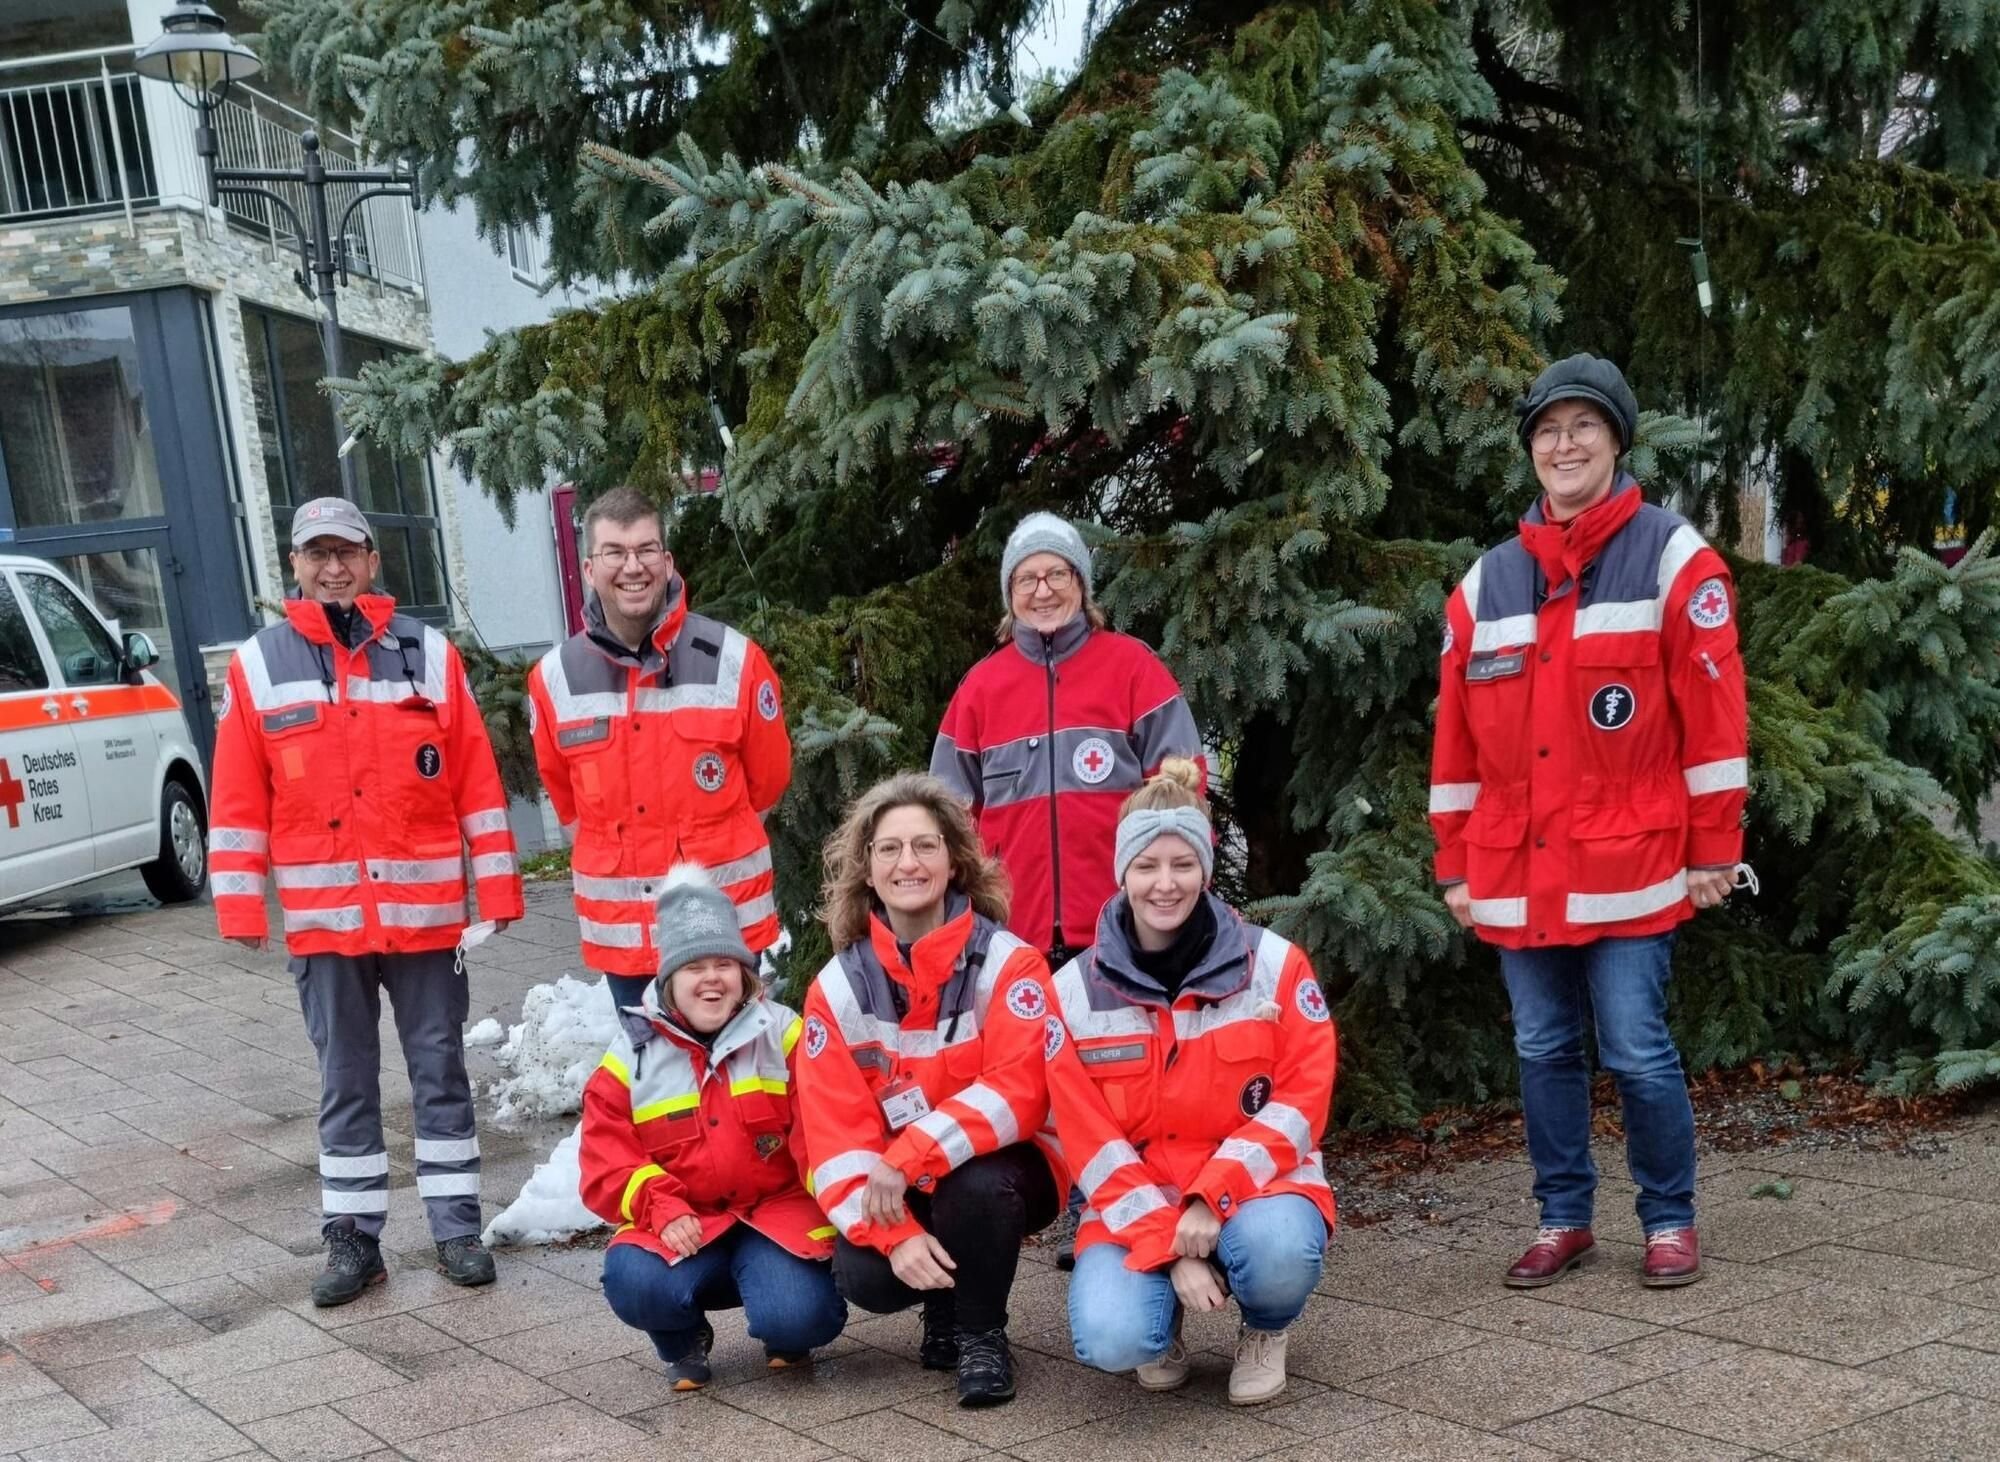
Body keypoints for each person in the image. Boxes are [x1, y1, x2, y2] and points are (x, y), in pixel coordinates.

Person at [1429, 353, 1750, 1290]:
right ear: (1532, 451)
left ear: (1615, 441)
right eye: (1547, 431)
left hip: (1634, 865)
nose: (1564, 445)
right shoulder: (1485, 586)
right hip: (1515, 870)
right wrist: (1454, 864)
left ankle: (1669, 1219)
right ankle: (1563, 1217)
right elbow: (1455, 746)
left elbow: (1716, 724)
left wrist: (1714, 849)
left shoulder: (1675, 559)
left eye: (1583, 428)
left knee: (1638, 1048)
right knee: (1541, 1049)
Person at [208, 497, 524, 1306]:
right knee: (345, 1085)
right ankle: (353, 1241)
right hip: (325, 926)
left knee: (440, 1074)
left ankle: (456, 1228)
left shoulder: (427, 655)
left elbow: (476, 784)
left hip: (423, 922)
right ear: (295, 566)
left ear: (372, 562)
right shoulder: (260, 666)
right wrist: (241, 905)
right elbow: (239, 798)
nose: (333, 567)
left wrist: (498, 886)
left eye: (347, 551)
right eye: (317, 554)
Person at [1048, 759, 1336, 1406]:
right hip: (1136, 1205)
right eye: (1147, 865)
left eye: (1183, 864)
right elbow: (1087, 1143)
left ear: (1206, 868)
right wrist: (1168, 1246)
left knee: (1280, 1253)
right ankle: (1162, 1319)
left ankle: (1266, 1327)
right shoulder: (1071, 993)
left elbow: (1302, 1101)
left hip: (1257, 1193)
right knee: (1111, 1339)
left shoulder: (1274, 965)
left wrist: (1214, 1197)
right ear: (1121, 872)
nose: (1165, 884)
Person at [793, 773, 1067, 1407]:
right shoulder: (836, 990)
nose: (907, 863)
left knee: (974, 1189)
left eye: (925, 846)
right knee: (866, 1274)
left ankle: (981, 1334)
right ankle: (941, 1302)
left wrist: (912, 1153)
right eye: (889, 849)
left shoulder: (1010, 964)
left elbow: (1021, 1092)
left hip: (1007, 1167)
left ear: (954, 861)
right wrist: (895, 1237)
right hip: (901, 1181)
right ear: (866, 869)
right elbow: (832, 1140)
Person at [580, 866, 846, 1388]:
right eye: (694, 966)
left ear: (745, 973)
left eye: (724, 963)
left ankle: (786, 1333)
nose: (711, 979)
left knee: (800, 1315)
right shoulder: (630, 1057)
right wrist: (659, 1203)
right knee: (633, 1281)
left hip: (776, 1218)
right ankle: (682, 1338)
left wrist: (847, 1209)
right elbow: (604, 1158)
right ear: (669, 981)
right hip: (681, 1222)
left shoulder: (785, 1034)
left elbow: (825, 1133)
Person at [529, 486, 792, 1012]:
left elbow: (767, 784)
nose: (633, 567)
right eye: (615, 553)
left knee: (738, 1085)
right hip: (627, 940)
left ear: (667, 561)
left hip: (725, 931)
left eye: (646, 550)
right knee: (653, 1088)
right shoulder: (553, 678)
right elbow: (569, 804)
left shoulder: (734, 660)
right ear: (588, 568)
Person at [931, 510, 1204, 970]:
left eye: (1057, 573)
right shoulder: (978, 690)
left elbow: (1186, 793)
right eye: (1026, 579)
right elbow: (944, 821)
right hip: (1010, 942)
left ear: (1081, 583)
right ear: (1010, 593)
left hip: (1126, 934)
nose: (1043, 591)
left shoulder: (1134, 669)